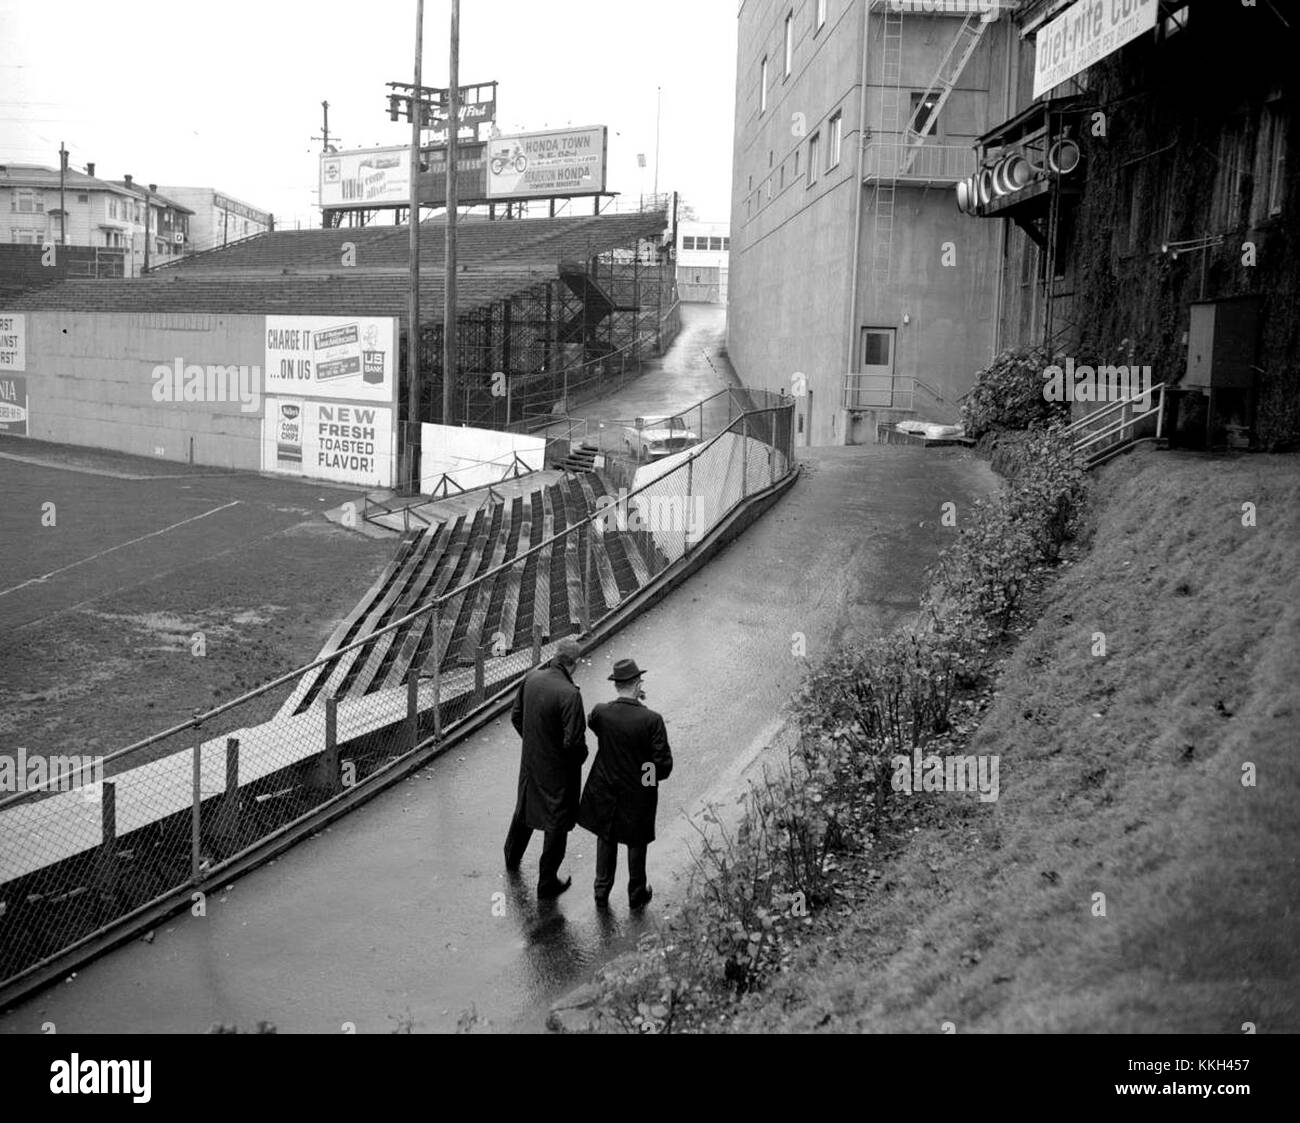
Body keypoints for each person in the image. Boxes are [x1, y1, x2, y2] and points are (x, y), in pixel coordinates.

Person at [577, 658, 673, 910]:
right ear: (638, 684)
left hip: (605, 786)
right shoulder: (651, 720)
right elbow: (662, 764)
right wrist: (647, 782)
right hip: (637, 791)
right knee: (636, 841)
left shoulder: (601, 712)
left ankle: (601, 890)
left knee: (606, 836)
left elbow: (595, 725)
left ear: (616, 685)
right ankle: (636, 892)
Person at [504, 636, 588, 898]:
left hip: (531, 762)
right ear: (573, 664)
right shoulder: (570, 695)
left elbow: (516, 717)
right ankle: (547, 880)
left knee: (526, 808)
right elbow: (574, 742)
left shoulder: (532, 679)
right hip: (558, 772)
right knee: (556, 822)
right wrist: (578, 759)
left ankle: (511, 857)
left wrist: (534, 744)